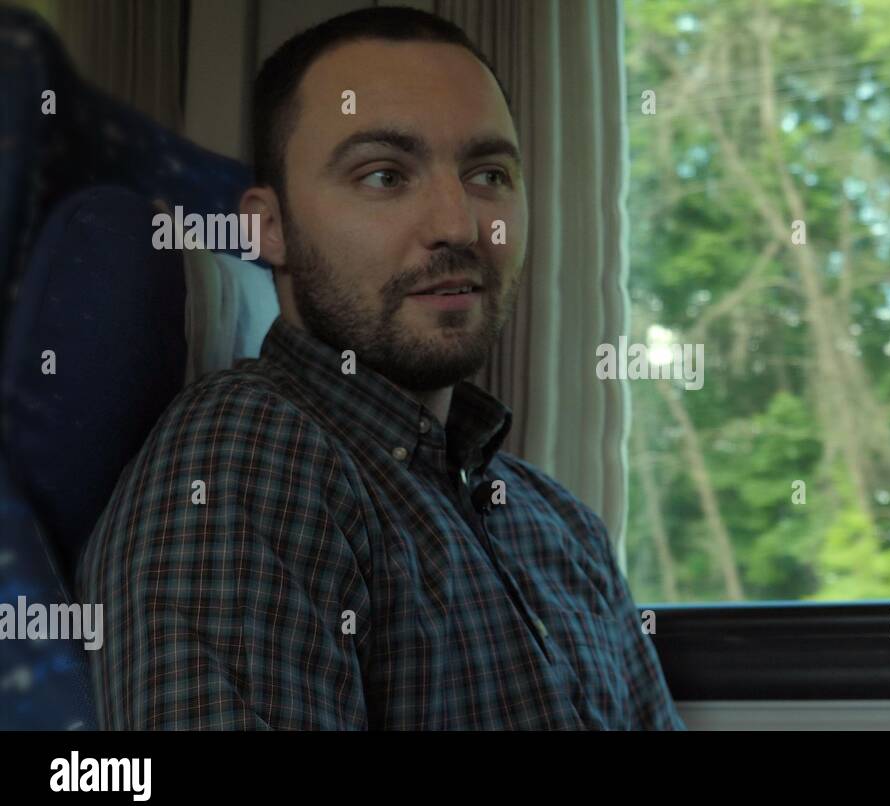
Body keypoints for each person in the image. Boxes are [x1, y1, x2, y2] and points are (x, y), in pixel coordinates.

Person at [77, 6, 685, 730]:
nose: (458, 226)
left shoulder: (561, 525)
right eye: (384, 176)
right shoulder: (246, 460)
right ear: (268, 227)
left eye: (489, 173)